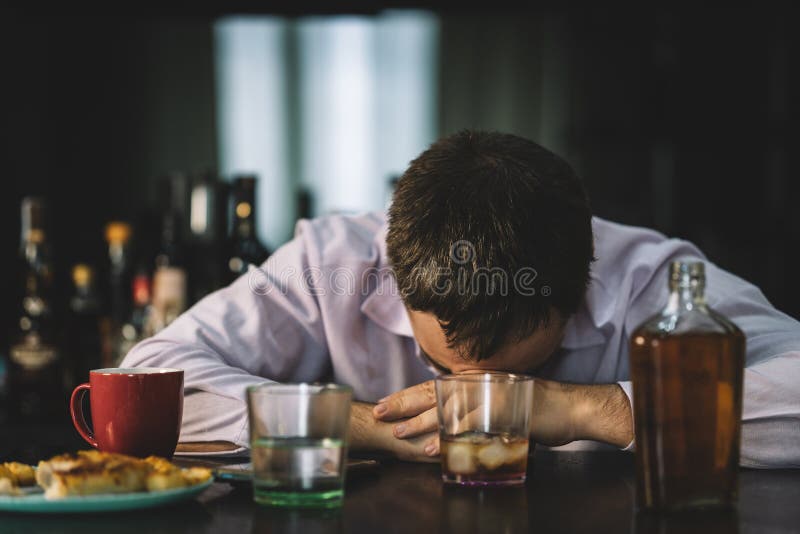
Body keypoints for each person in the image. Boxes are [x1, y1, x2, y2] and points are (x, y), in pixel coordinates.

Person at [121, 131, 800, 467]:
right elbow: (140, 383)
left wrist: (588, 410)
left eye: (514, 380)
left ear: (579, 290)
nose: (471, 415)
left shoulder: (650, 278)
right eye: (445, 373)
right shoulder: (334, 262)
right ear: (393, 271)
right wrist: (361, 425)